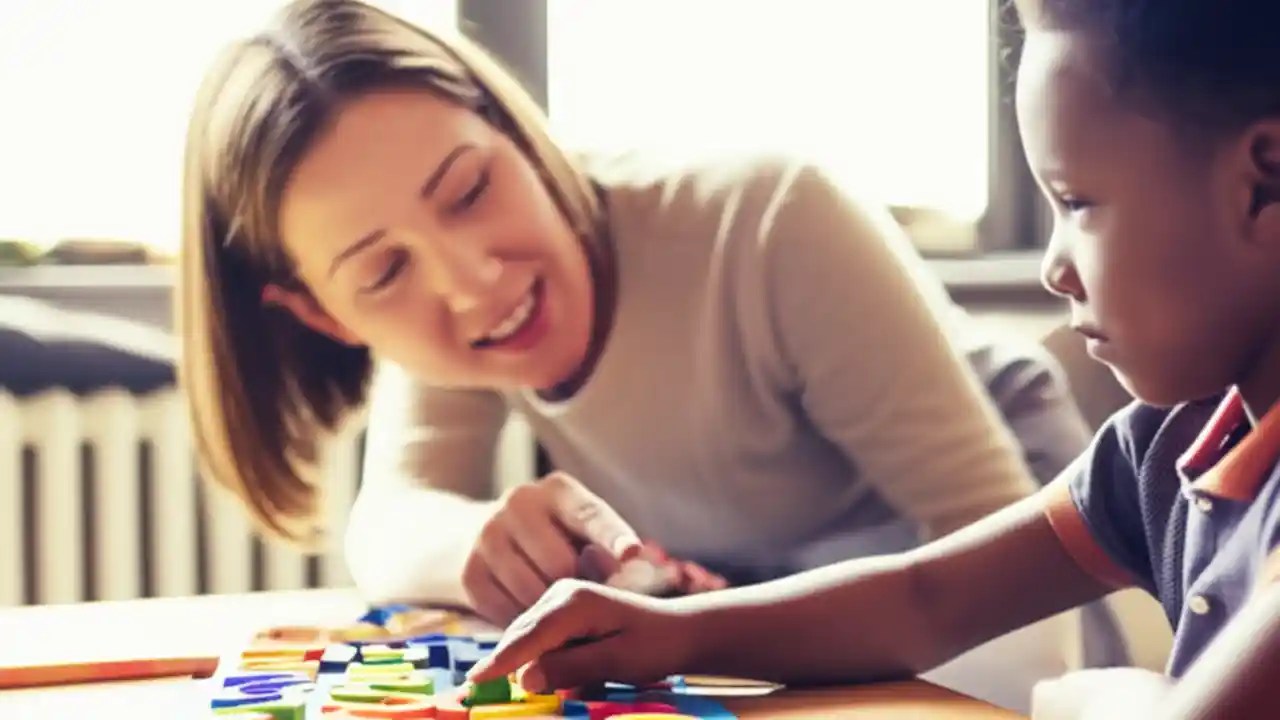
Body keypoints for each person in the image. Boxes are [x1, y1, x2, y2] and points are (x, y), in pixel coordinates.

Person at [178, 0, 1100, 709]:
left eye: (468, 190)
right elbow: (387, 523)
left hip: (1022, 554)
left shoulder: (770, 218)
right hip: (764, 591)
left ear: (519, 132)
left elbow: (1005, 586)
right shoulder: (451, 323)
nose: (472, 280)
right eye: (381, 273)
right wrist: (479, 544)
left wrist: (717, 623)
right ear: (323, 314)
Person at [467, 0, 1280, 717]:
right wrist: (673, 633)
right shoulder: (1164, 446)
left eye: (1076, 204)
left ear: (1264, 187)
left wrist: (1115, 698)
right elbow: (925, 600)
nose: (1052, 268)